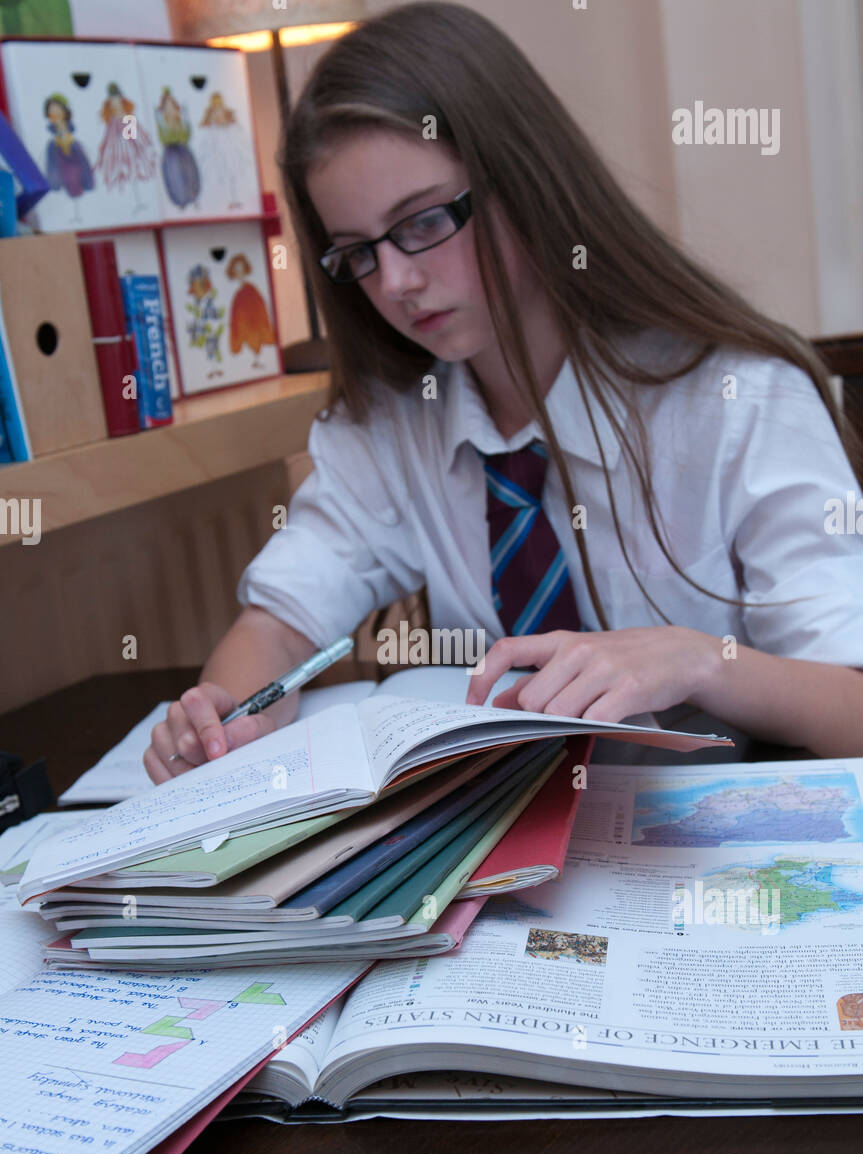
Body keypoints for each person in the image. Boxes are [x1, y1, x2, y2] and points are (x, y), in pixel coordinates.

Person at [144, 1, 863, 786]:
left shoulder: (738, 400)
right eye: (357, 252)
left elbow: (851, 704)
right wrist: (223, 713)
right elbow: (280, 624)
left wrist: (700, 661)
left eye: (421, 222)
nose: (396, 282)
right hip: (497, 859)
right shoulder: (392, 420)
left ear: (522, 180)